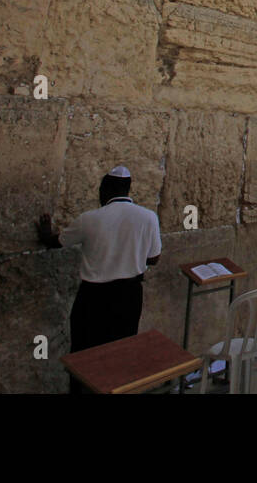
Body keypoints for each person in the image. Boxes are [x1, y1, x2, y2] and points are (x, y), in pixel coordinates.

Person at [38, 166, 162, 390]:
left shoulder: (90, 219)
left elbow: (57, 242)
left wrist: (46, 232)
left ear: (105, 189)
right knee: (121, 354)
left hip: (94, 298)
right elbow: (154, 258)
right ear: (128, 189)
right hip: (129, 297)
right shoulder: (148, 217)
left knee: (85, 357)